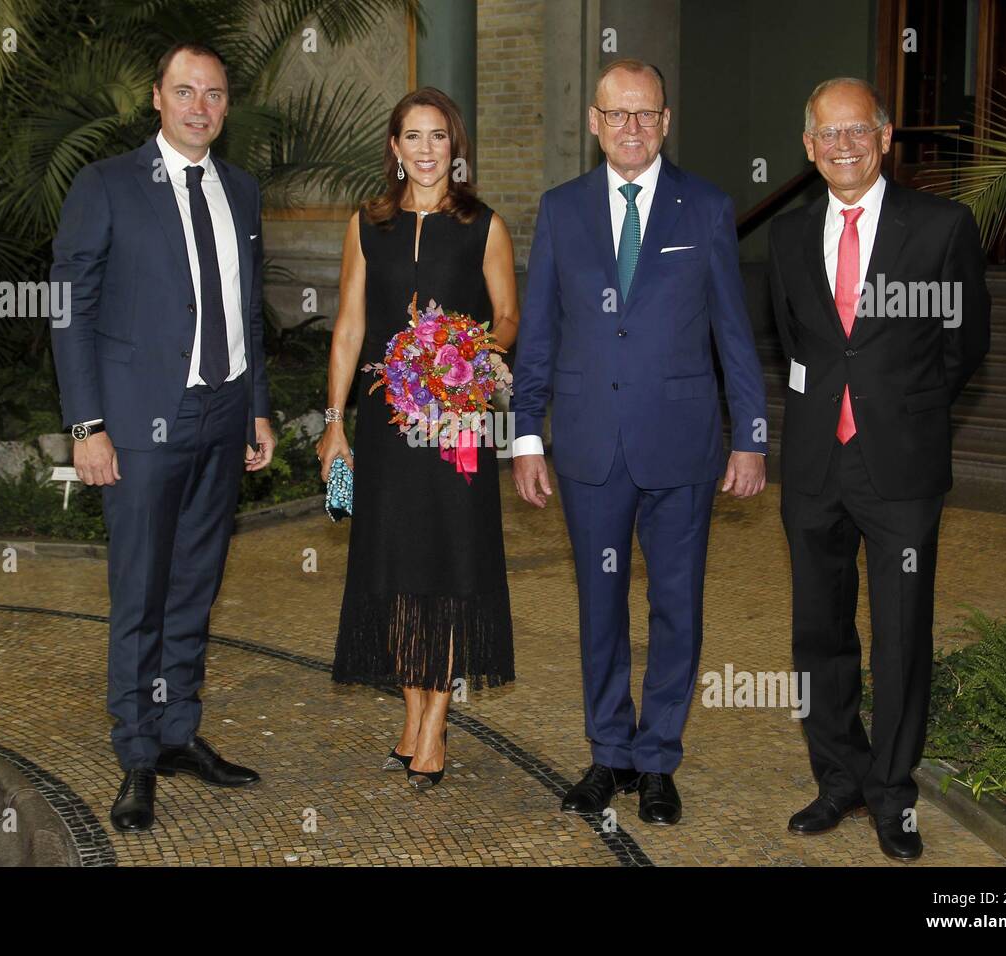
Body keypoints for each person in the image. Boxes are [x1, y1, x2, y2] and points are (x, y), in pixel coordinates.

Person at [512, 59, 768, 825]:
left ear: (665, 121)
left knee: (677, 606)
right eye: (617, 115)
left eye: (646, 115)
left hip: (683, 446)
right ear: (593, 122)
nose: (632, 128)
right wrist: (526, 435)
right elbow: (540, 333)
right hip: (588, 445)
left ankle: (658, 759)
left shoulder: (709, 207)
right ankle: (609, 753)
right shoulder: (560, 210)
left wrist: (750, 436)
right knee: (599, 605)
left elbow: (734, 331)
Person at [50, 42, 274, 832]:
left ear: (225, 105)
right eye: (185, 91)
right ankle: (137, 752)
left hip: (222, 418)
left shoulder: (241, 191)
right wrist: (87, 426)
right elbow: (70, 308)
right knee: (139, 592)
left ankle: (180, 731)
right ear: (156, 98)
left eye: (213, 94)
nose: (199, 106)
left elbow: (247, 310)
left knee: (194, 588)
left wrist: (259, 408)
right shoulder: (107, 184)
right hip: (140, 425)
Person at [768, 77, 990, 860]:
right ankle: (839, 778)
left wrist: (901, 407)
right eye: (827, 134)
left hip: (902, 466)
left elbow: (965, 347)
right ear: (808, 147)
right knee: (818, 633)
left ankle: (894, 793)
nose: (843, 145)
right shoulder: (790, 239)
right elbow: (796, 344)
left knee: (900, 636)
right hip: (815, 468)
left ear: (886, 136)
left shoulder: (941, 227)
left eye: (857, 129)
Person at [318, 87, 519, 790]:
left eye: (439, 136)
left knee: (449, 570)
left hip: (456, 430)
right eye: (414, 136)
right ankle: (413, 713)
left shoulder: (482, 226)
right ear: (396, 148)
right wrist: (333, 422)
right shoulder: (366, 225)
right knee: (397, 571)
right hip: (385, 431)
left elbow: (507, 316)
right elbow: (348, 326)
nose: (427, 149)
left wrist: (469, 362)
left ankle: (435, 726)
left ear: (454, 148)